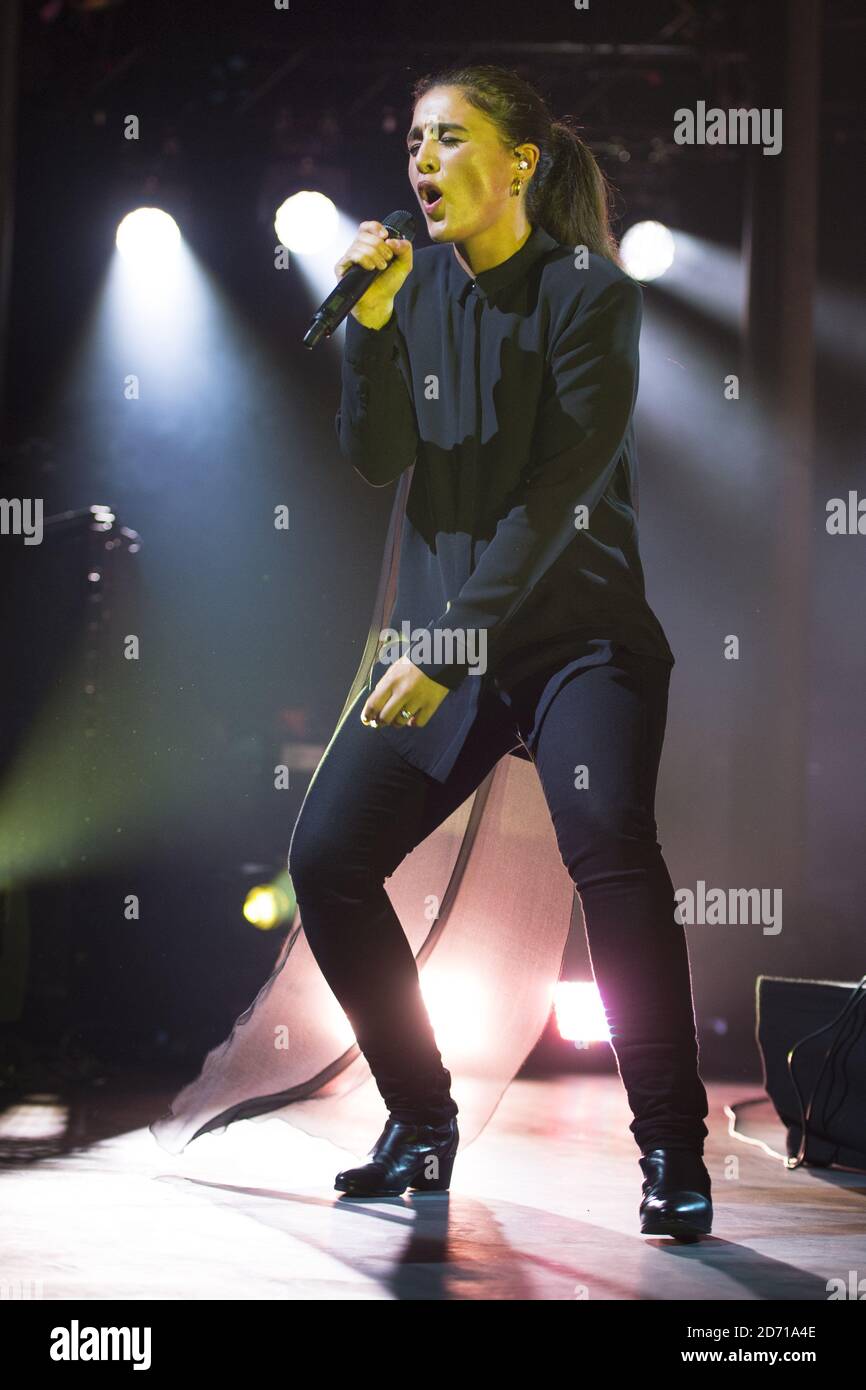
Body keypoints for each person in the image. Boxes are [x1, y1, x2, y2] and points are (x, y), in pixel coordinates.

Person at [285, 64, 712, 1238]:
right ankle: (421, 1118)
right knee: (326, 860)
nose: (422, 163)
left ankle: (672, 1148)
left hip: (576, 638)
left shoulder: (589, 293)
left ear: (519, 163)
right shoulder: (410, 290)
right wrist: (369, 334)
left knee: (611, 856)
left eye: (450, 138)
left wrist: (446, 635)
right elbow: (375, 456)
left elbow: (555, 495)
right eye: (412, 141)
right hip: (448, 650)